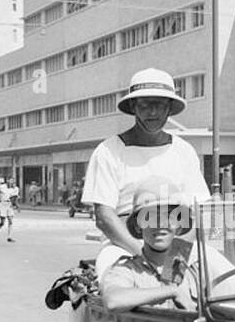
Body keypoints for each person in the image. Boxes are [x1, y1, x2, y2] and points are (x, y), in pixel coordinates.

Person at [81, 68, 211, 279]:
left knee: (221, 277)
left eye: (159, 105)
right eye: (145, 105)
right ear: (133, 106)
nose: (153, 113)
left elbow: (197, 210)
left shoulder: (183, 150)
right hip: (124, 245)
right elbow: (104, 217)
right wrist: (142, 254)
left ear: (169, 107)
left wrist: (174, 255)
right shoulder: (108, 151)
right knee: (113, 281)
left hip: (175, 243)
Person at [100, 179, 232, 313]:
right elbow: (113, 301)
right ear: (138, 226)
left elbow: (231, 307)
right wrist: (172, 291)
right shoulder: (128, 270)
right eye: (150, 217)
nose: (160, 224)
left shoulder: (197, 270)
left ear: (180, 226)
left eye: (169, 217)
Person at [0, 176, 18, 241]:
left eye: (12, 181)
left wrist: (16, 205)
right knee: (2, 222)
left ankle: (9, 237)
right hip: (2, 204)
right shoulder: (1, 187)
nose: (11, 182)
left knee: (10, 221)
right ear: (7, 181)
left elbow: (15, 197)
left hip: (9, 204)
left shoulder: (15, 188)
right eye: (10, 180)